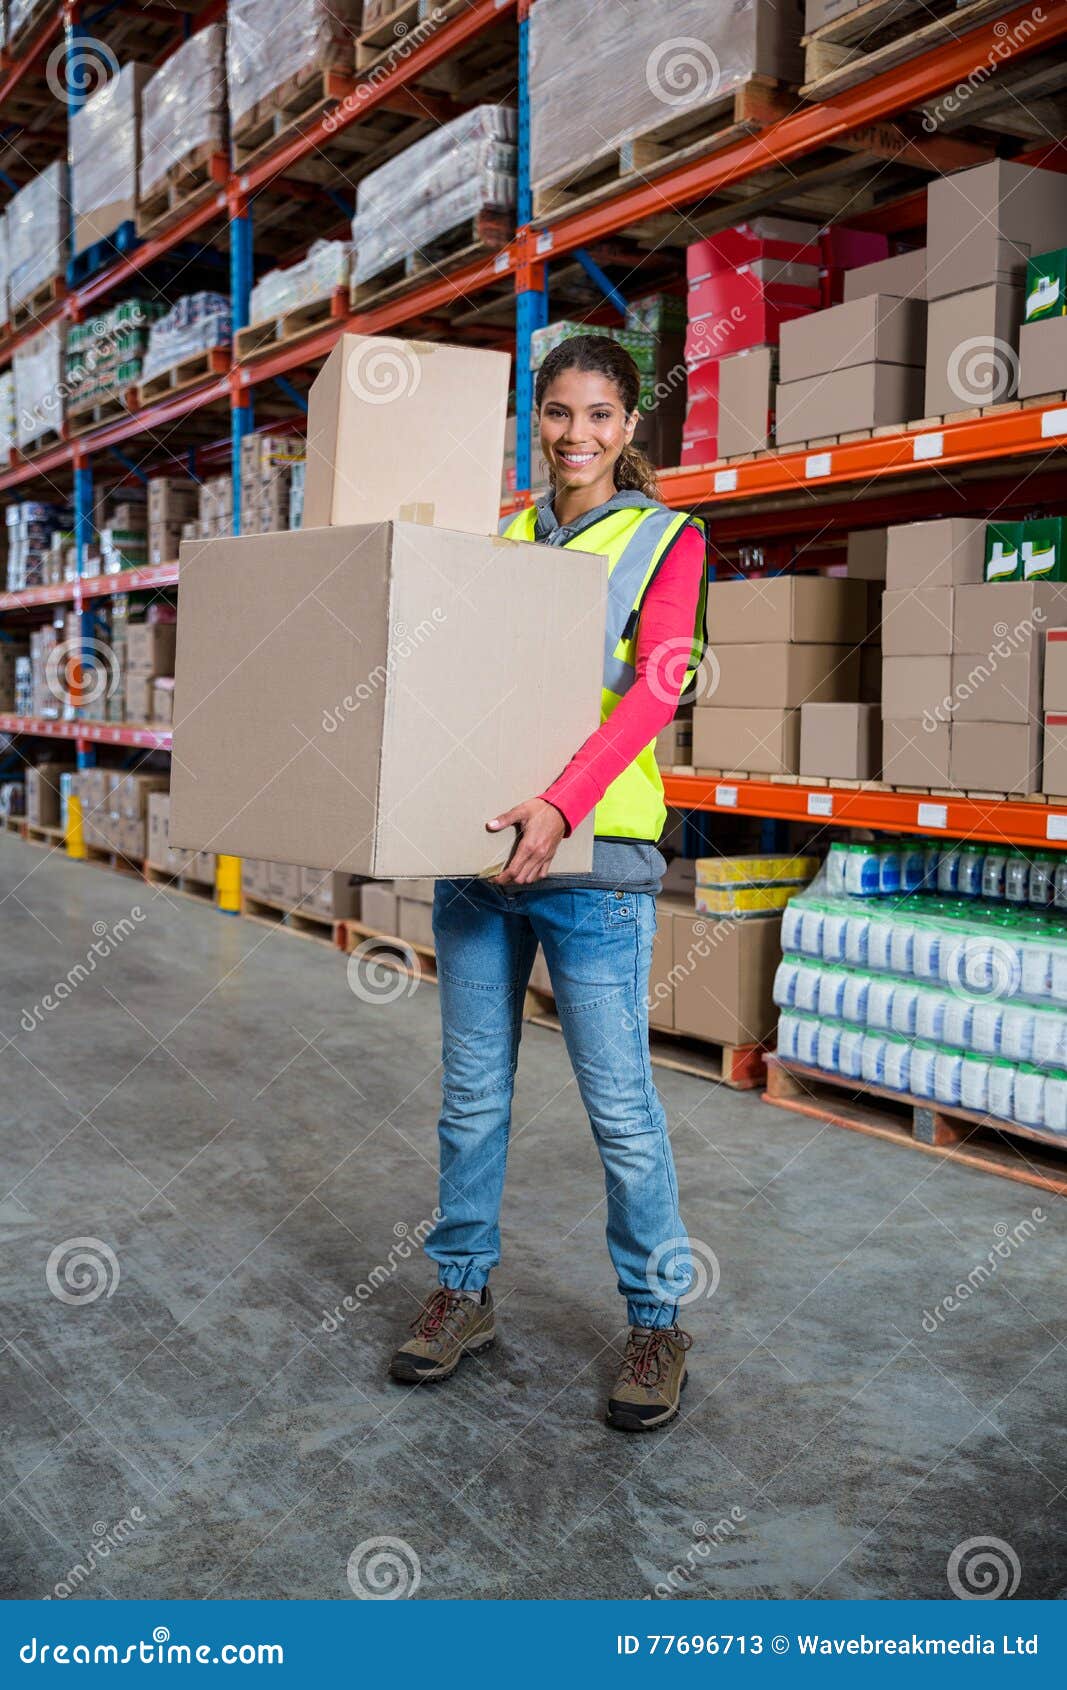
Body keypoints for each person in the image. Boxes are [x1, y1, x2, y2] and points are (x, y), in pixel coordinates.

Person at [389, 333, 707, 1432]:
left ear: (631, 426)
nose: (576, 436)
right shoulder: (504, 538)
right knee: (471, 1099)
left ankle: (657, 1318)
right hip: (483, 860)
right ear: (540, 421)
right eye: (558, 414)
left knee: (619, 1107)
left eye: (599, 415)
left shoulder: (669, 539)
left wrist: (560, 805)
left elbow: (650, 698)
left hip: (594, 865)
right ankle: (462, 1293)